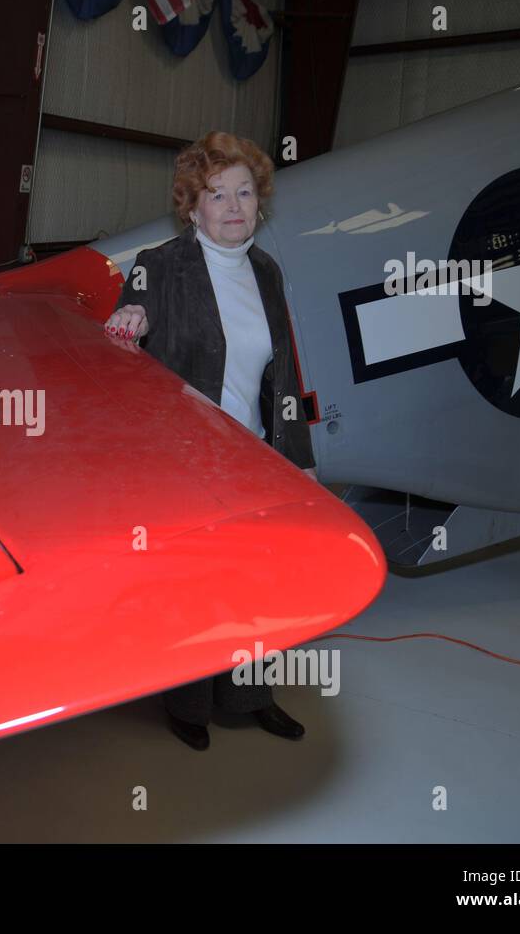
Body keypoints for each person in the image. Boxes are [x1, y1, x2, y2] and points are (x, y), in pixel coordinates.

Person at [104, 130, 316, 752]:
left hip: (253, 453)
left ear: (259, 202)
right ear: (192, 207)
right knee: (196, 588)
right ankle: (188, 704)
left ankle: (251, 698)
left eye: (244, 193)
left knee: (255, 583)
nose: (232, 206)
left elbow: (283, 368)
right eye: (216, 194)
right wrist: (129, 321)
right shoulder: (160, 266)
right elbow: (131, 314)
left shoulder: (267, 272)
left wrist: (296, 458)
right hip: (185, 462)